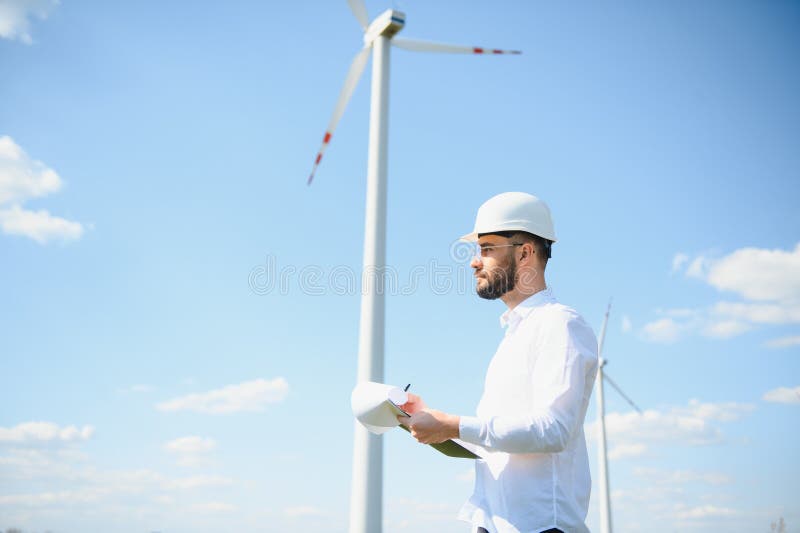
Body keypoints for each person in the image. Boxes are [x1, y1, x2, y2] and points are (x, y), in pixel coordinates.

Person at [398, 192, 599, 533]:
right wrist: (431, 422)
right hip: (494, 523)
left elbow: (553, 430)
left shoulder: (560, 323)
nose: (474, 262)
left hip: (540, 527)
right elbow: (500, 440)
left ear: (524, 253)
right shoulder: (514, 334)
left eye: (487, 249)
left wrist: (454, 425)